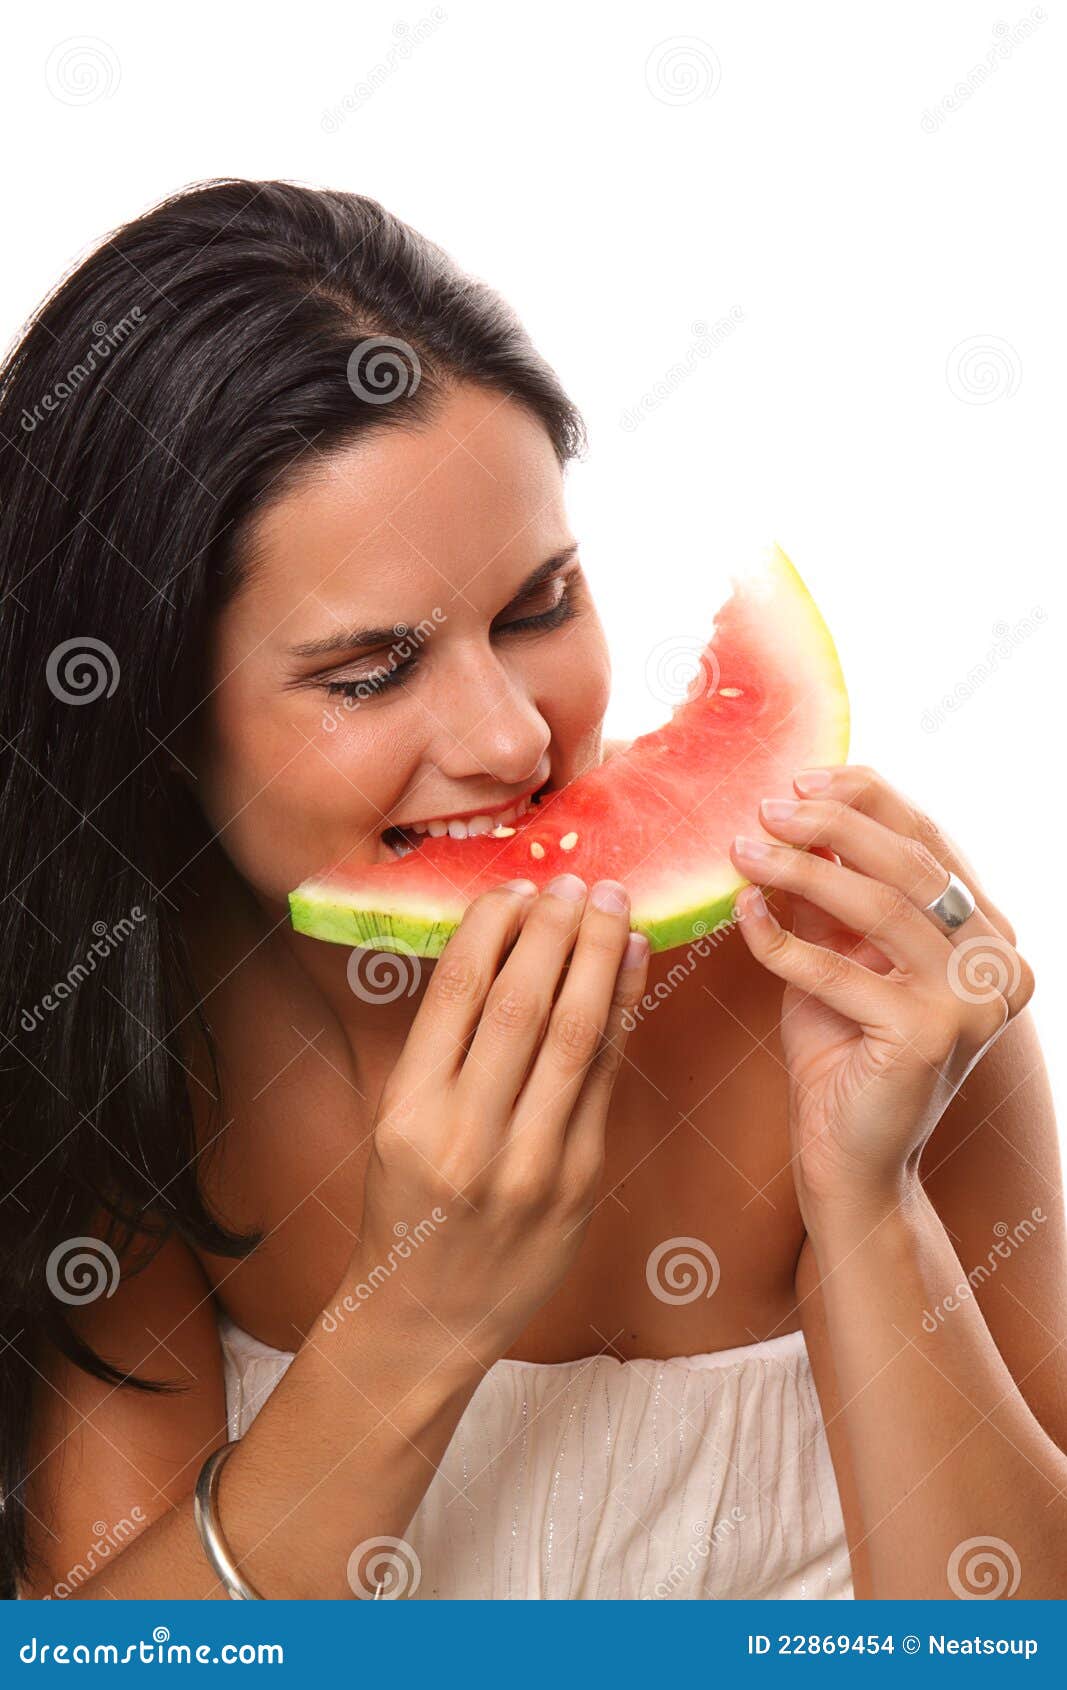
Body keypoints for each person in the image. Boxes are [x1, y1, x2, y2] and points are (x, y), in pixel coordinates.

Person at [1, 180, 1064, 1602]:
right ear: (154, 722)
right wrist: (420, 1313)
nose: (511, 736)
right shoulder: (120, 1034)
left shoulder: (858, 972)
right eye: (371, 673)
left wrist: (868, 1203)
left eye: (542, 604)